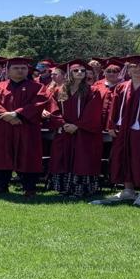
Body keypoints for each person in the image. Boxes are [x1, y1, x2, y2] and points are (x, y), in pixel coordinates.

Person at [93, 55, 140, 206]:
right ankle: (128, 190)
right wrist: (111, 125)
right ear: (128, 69)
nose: (138, 69)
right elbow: (114, 107)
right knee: (124, 157)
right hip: (123, 130)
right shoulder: (122, 86)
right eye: (134, 66)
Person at [0, 57, 48, 197]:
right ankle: (1, 185)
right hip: (2, 127)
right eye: (16, 68)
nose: (20, 71)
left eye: (23, 68)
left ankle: (29, 187)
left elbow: (39, 103)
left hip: (26, 127)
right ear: (8, 70)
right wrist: (6, 115)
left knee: (27, 156)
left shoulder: (38, 87)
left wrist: (16, 114)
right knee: (1, 156)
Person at [47, 60, 105, 198]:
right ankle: (64, 189)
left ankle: (81, 190)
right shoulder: (59, 90)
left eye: (82, 71)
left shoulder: (93, 91)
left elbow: (93, 112)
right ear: (69, 73)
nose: (80, 73)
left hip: (84, 133)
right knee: (63, 159)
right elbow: (53, 109)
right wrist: (62, 124)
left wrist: (77, 125)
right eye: (76, 70)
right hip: (65, 132)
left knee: (82, 159)